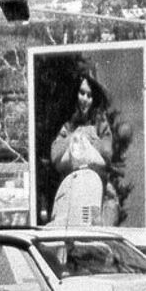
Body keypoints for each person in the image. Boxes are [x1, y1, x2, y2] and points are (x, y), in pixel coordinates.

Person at [50, 70, 117, 225]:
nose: (85, 99)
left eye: (90, 95)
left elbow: (107, 153)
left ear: (95, 99)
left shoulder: (101, 124)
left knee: (95, 229)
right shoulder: (68, 126)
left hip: (96, 191)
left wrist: (89, 136)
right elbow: (55, 154)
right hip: (74, 189)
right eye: (82, 93)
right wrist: (73, 136)